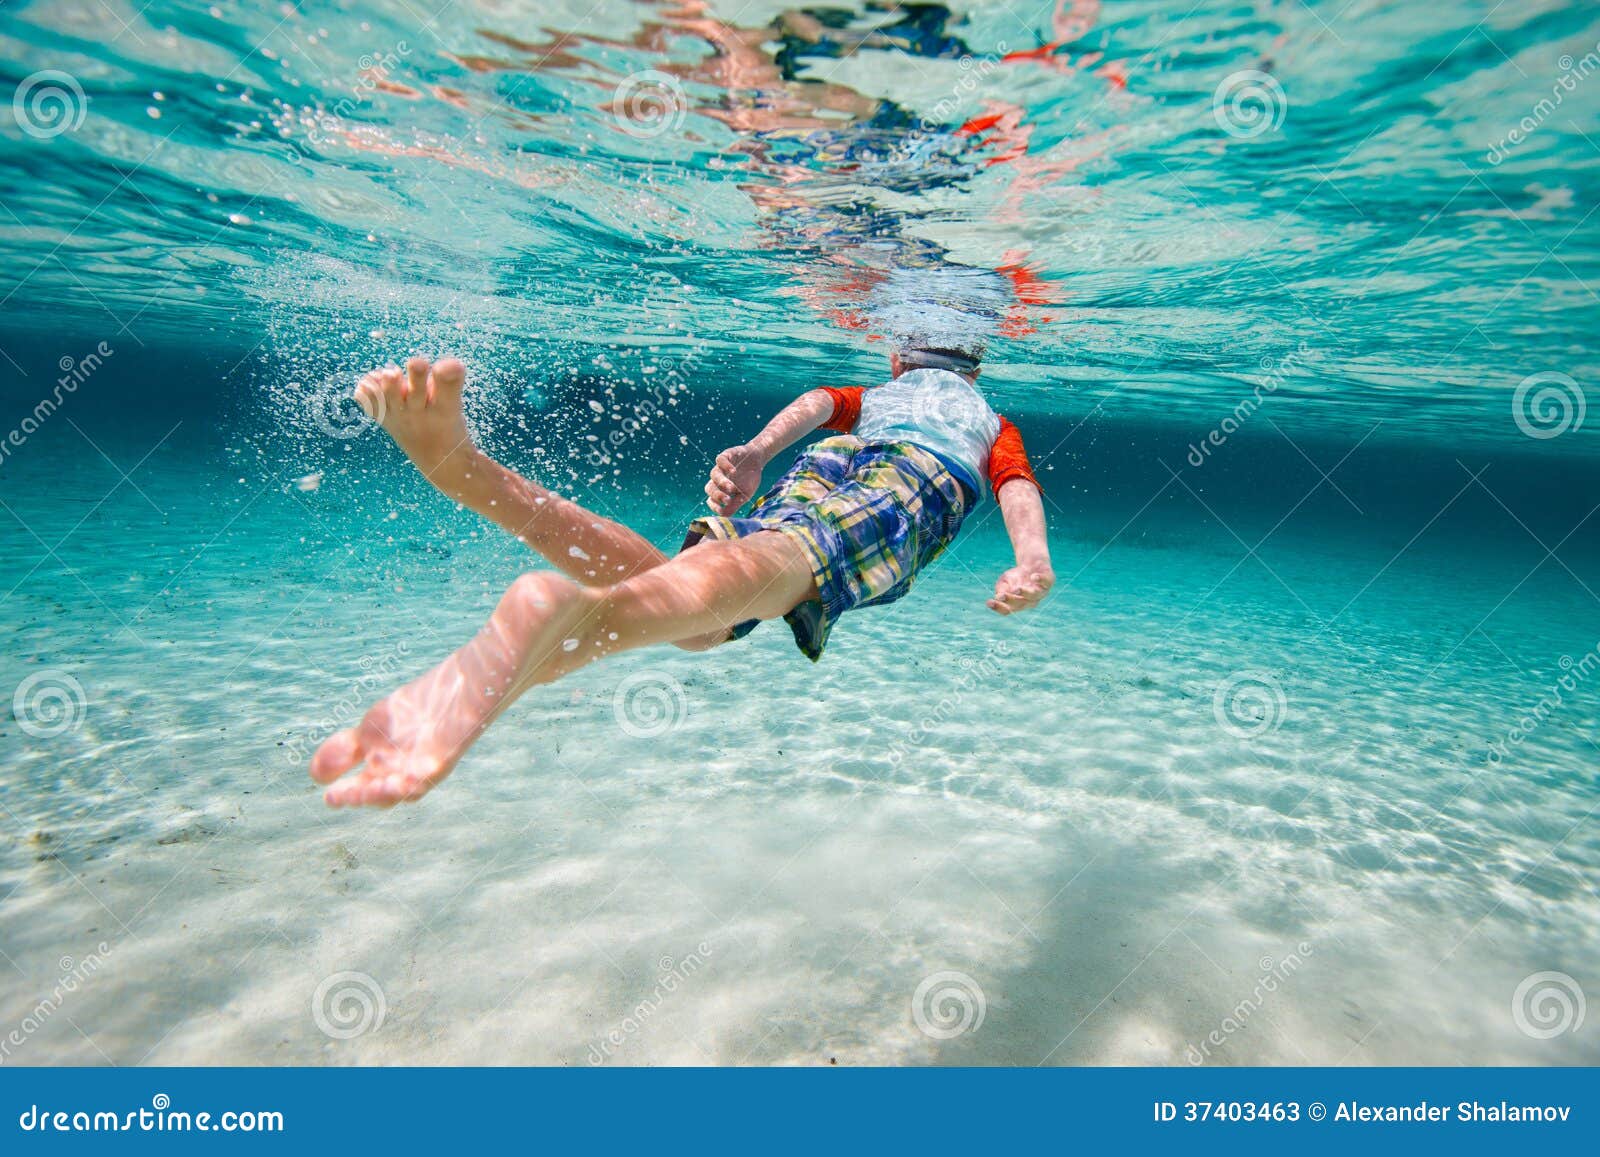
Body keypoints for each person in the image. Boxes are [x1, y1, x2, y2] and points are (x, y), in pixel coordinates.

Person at [309, 348, 1053, 808]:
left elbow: (823, 402)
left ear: (897, 357)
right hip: (921, 478)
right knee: (789, 560)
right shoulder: (988, 417)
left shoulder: (879, 394)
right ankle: (573, 614)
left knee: (706, 607)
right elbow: (1014, 482)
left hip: (840, 456)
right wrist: (1032, 558)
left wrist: (759, 450)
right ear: (976, 367)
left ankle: (467, 471)